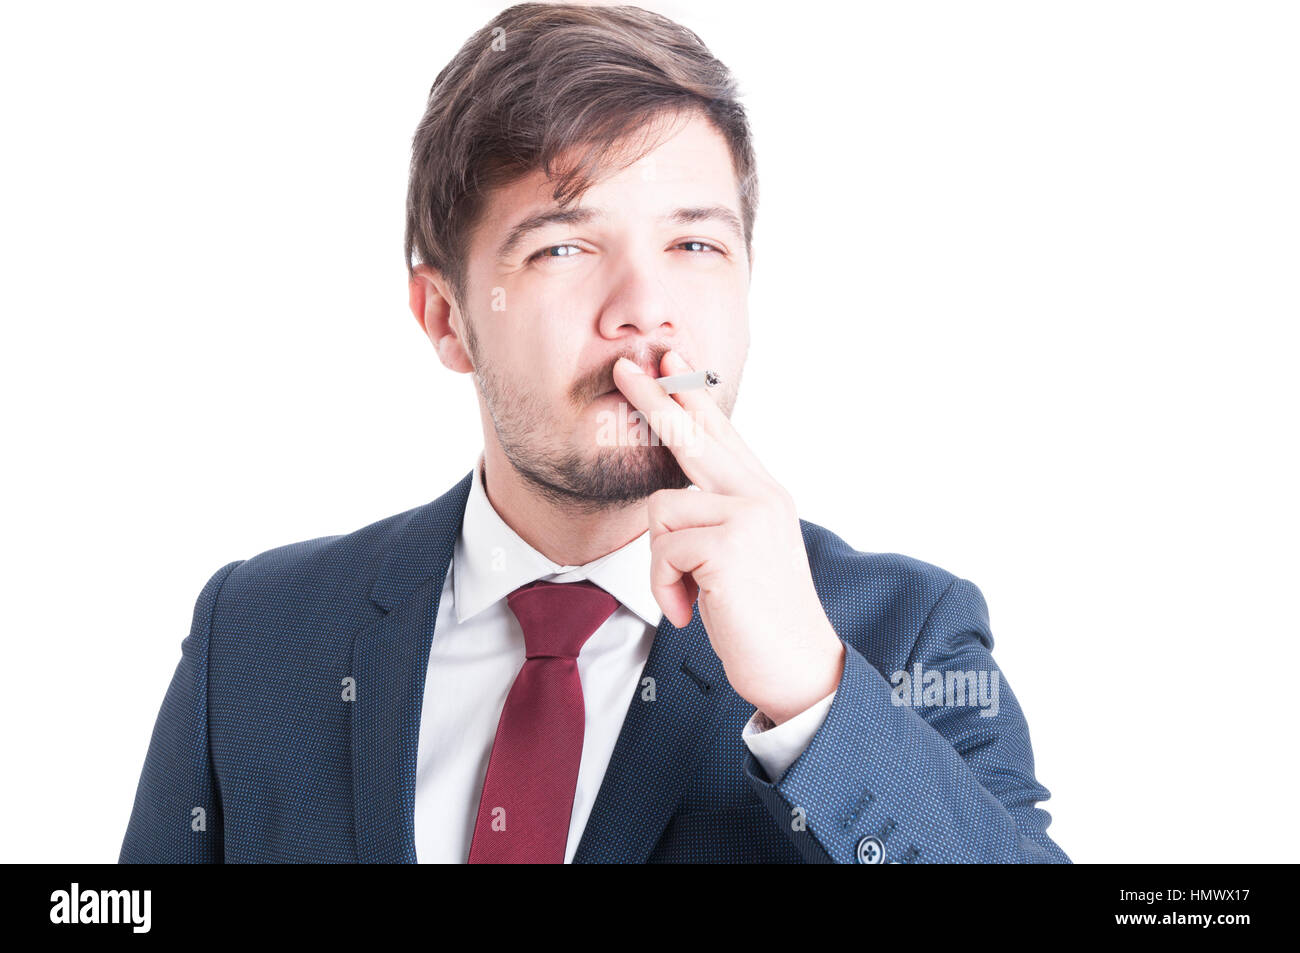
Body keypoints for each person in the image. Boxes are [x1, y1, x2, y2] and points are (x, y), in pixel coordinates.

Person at [121, 2, 1068, 864]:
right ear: (448, 317)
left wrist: (818, 698)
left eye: (694, 243)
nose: (645, 313)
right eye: (565, 247)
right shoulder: (253, 637)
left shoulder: (905, 637)